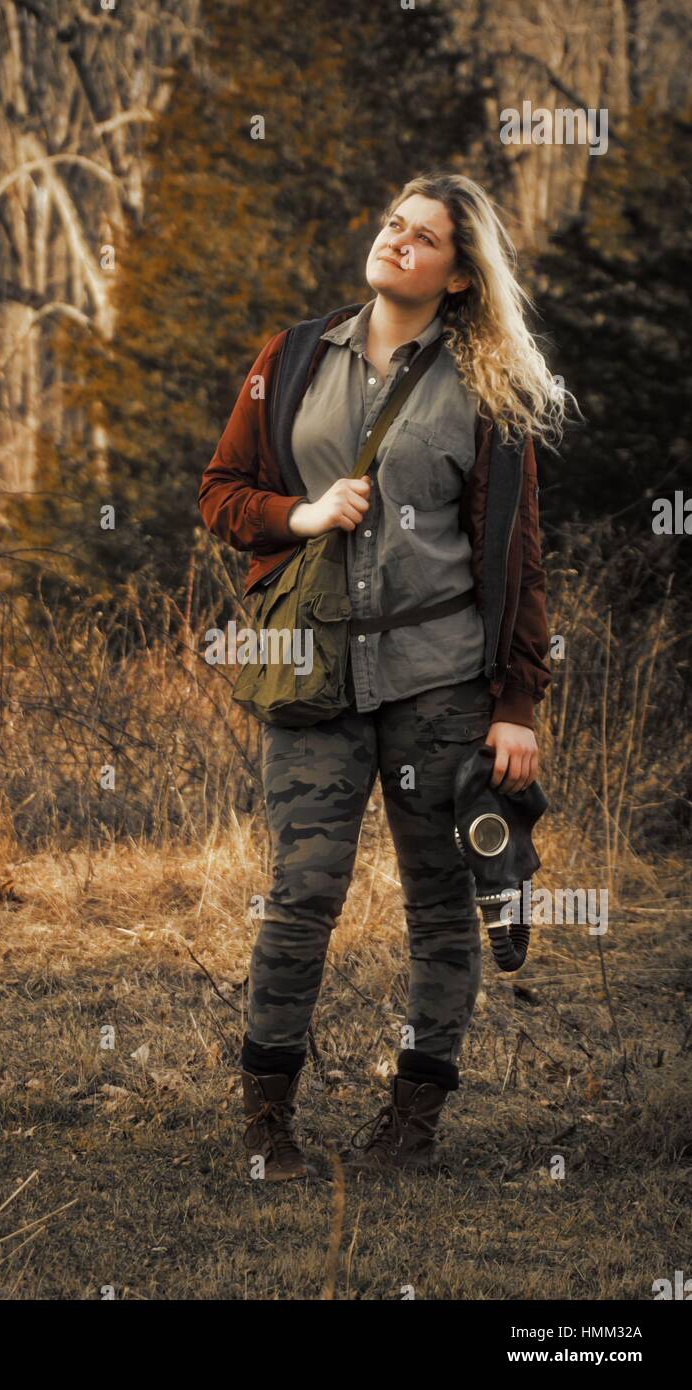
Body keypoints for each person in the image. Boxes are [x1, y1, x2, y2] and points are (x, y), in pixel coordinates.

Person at [197, 171, 566, 1182]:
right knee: (297, 893)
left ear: (456, 276)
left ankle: (411, 1126)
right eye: (392, 226)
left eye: (424, 238)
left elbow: (515, 555)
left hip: (439, 681)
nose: (396, 242)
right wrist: (299, 516)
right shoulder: (292, 356)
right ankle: (266, 1125)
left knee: (440, 904)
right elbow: (221, 491)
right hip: (310, 676)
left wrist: (516, 702)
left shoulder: (484, 386)